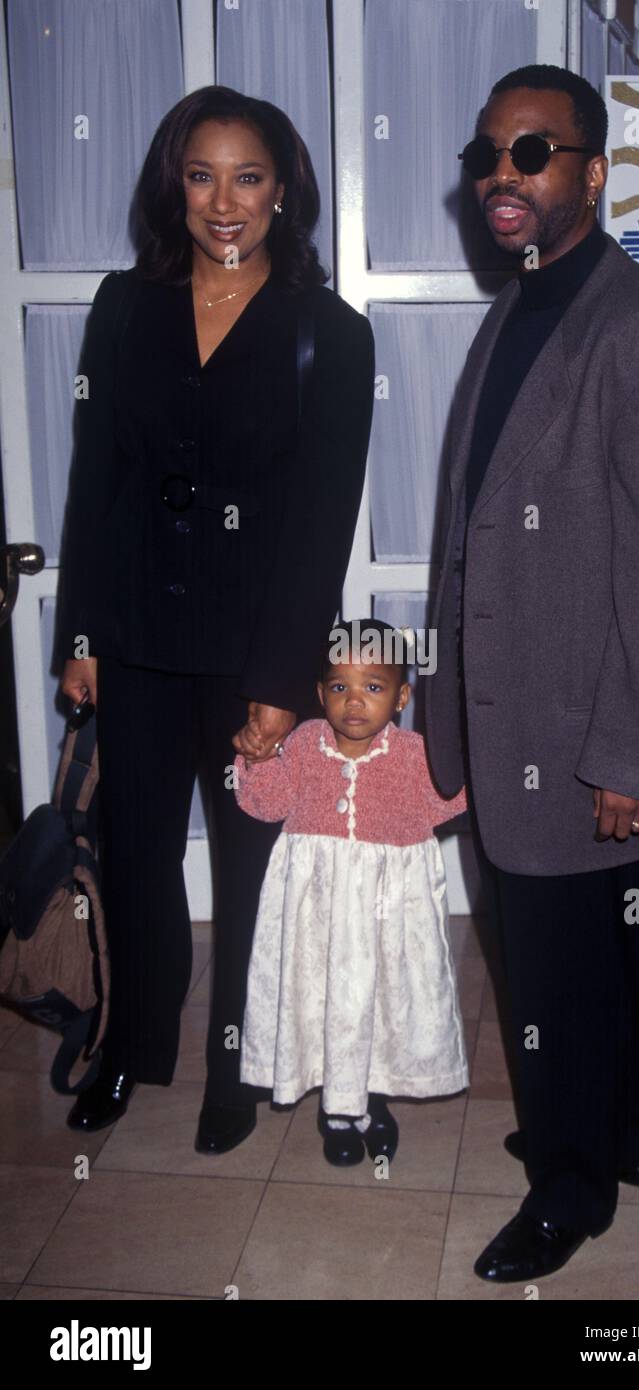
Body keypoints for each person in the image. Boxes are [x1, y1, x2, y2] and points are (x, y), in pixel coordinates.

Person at [423, 65, 639, 1280]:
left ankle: (570, 1189)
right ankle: (627, 1132)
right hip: (523, 717)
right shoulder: (528, 301)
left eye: (533, 150)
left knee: (552, 969)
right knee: (602, 957)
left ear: (594, 173)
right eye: (487, 154)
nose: (502, 173)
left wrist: (632, 759)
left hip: (583, 732)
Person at [52, 86, 375, 1155]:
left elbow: (323, 522)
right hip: (138, 639)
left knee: (251, 871)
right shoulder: (123, 308)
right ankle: (128, 1046)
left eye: (247, 177)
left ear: (285, 191)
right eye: (201, 175)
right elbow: (96, 481)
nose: (223, 202)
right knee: (135, 856)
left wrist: (281, 681)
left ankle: (235, 1062)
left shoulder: (330, 332)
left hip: (252, 652)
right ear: (173, 184)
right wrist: (82, 638)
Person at [232, 620, 469, 1166]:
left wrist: (477, 746)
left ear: (402, 697)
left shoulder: (417, 755)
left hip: (387, 919)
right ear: (320, 695)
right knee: (324, 999)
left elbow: (456, 795)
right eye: (340, 687)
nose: (354, 701)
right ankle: (336, 1110)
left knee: (378, 1001)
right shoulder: (303, 745)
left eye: (374, 686)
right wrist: (259, 759)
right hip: (316, 915)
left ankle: (370, 1095)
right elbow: (267, 805)